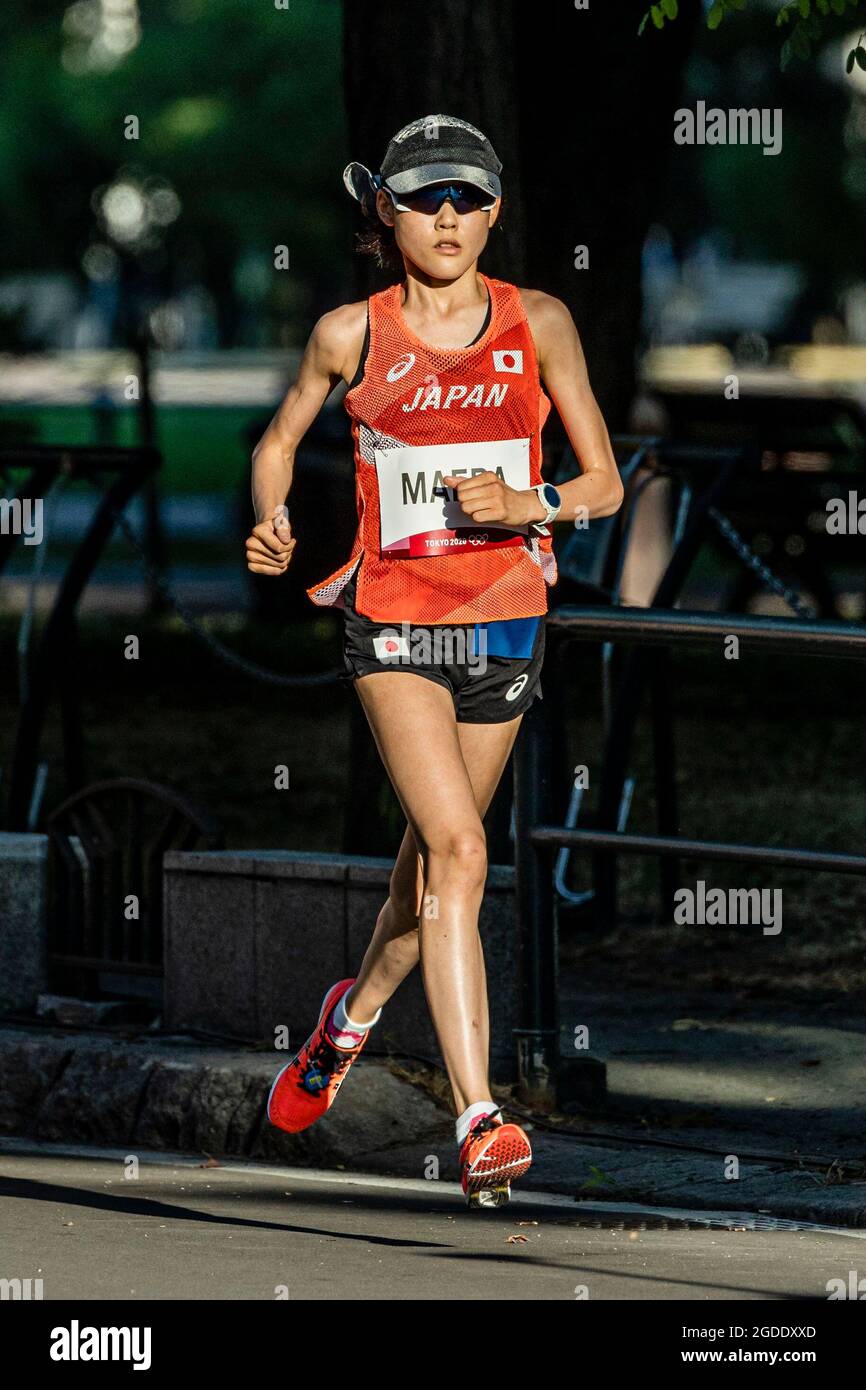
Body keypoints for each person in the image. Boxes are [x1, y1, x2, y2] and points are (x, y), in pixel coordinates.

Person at [246, 114, 623, 1208]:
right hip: (393, 622)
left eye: (464, 195)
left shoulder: (538, 322)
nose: (446, 215)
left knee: (425, 876)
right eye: (422, 197)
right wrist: (272, 516)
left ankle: (346, 1019)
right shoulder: (347, 334)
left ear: (494, 209)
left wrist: (533, 501)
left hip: (505, 619)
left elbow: (602, 481)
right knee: (460, 852)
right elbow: (277, 438)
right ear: (386, 212)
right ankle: (479, 1117)